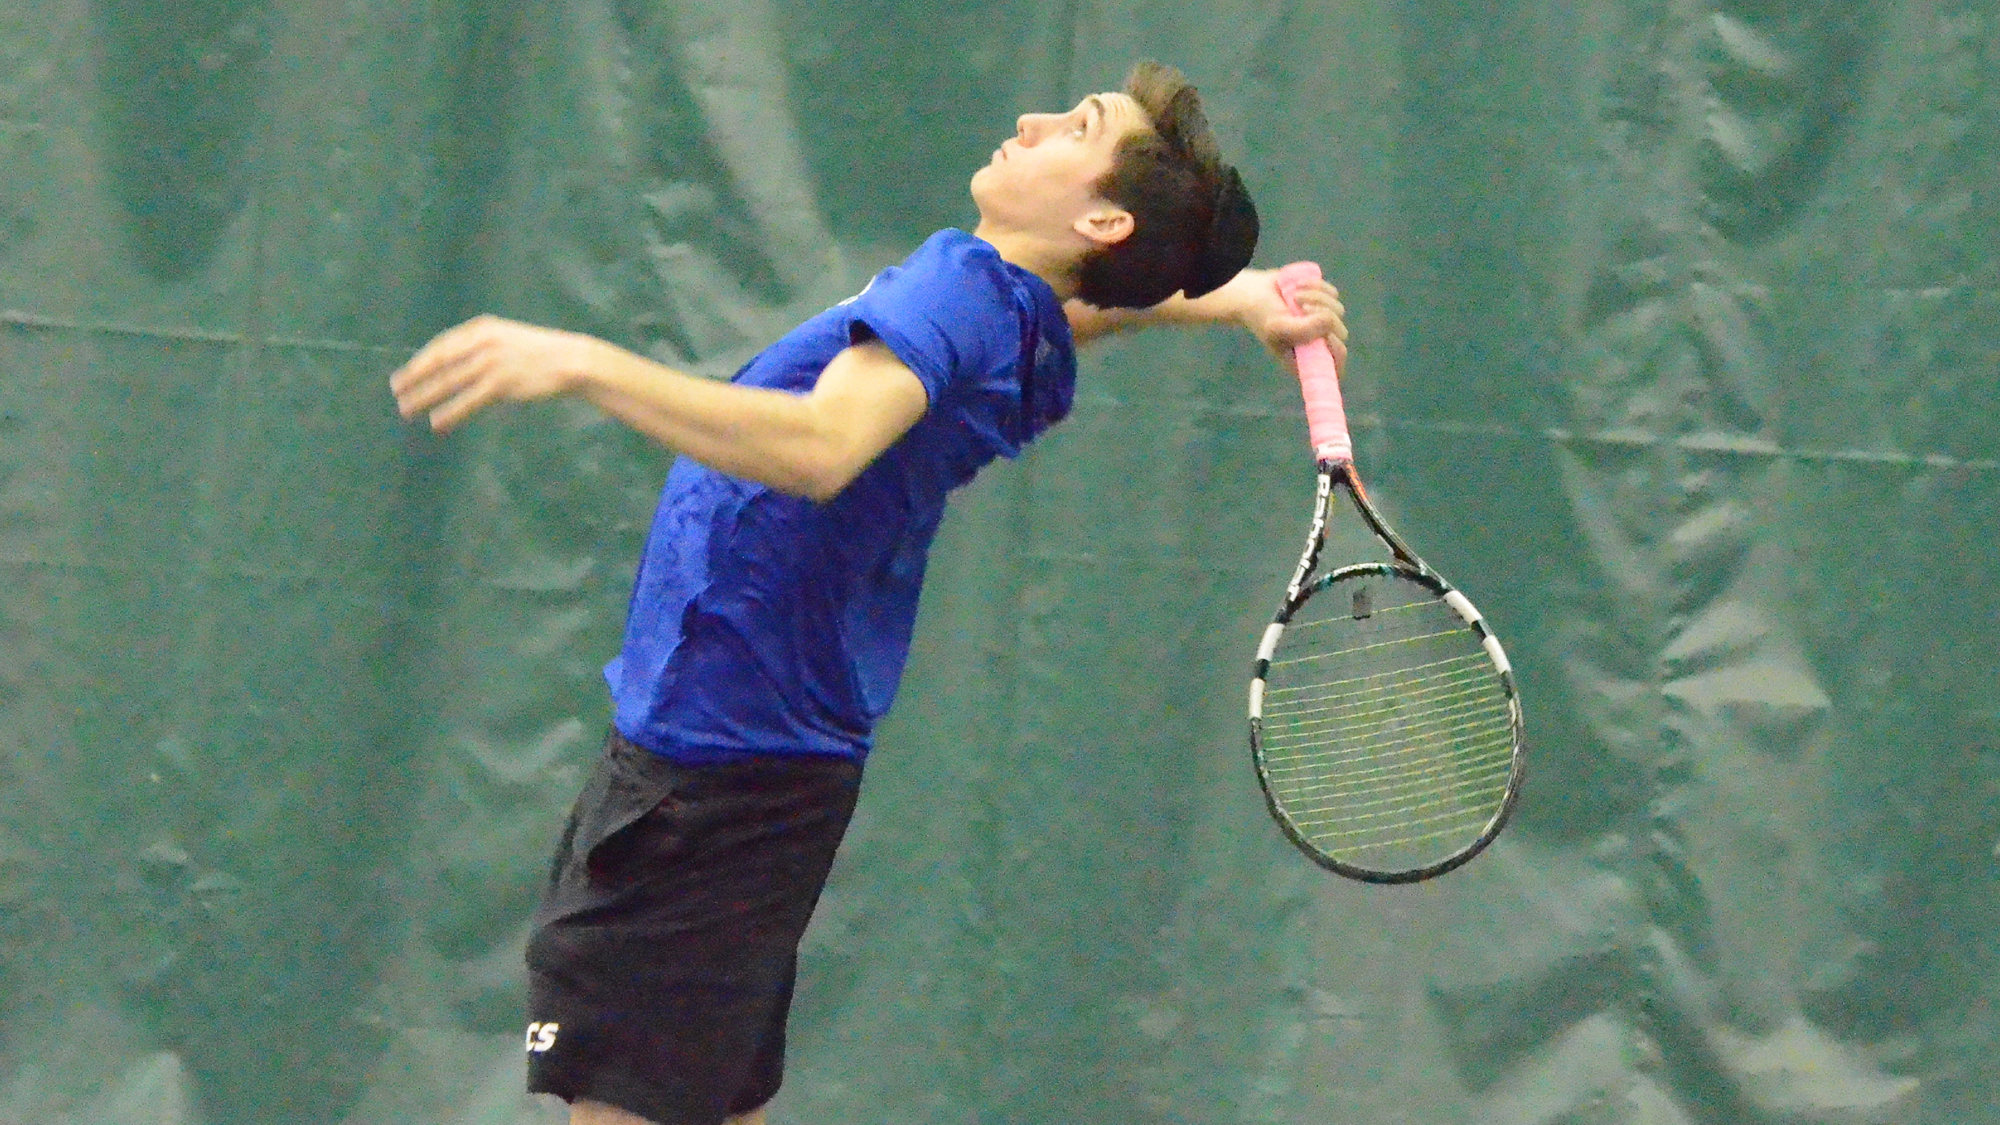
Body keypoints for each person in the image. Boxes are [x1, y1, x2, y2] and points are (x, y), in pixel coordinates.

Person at [390, 61, 1347, 1125]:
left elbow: (821, 445)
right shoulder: (1005, 310)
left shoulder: (959, 295)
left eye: (1073, 128)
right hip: (766, 768)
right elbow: (1069, 313)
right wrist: (1233, 300)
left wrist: (583, 364)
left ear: (1103, 217)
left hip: (710, 771)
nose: (1029, 122)